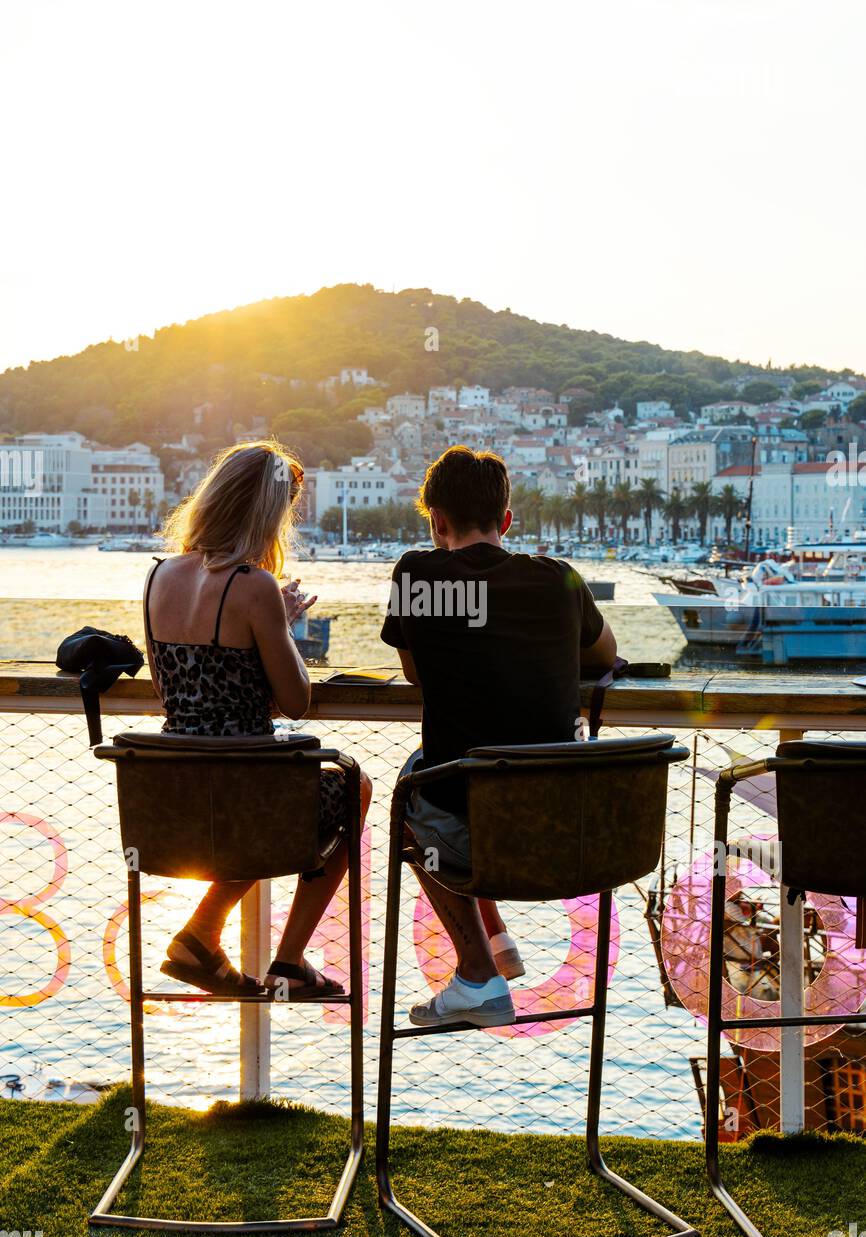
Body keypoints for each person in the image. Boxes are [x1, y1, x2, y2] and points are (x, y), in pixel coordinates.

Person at [381, 446, 616, 1028]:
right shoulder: (558, 578)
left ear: (436, 522)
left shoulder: (416, 574)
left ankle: (479, 971)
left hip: (469, 835)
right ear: (506, 521)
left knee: (415, 783)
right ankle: (495, 950)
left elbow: (413, 671)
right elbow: (605, 654)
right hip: (565, 830)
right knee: (444, 771)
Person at [144, 438, 372, 998]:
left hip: (174, 797)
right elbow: (295, 701)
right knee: (354, 787)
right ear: (266, 517)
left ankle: (201, 934)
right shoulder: (254, 588)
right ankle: (289, 959)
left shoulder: (157, 577)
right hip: (245, 794)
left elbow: (171, 691)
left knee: (267, 800)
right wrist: (284, 628)